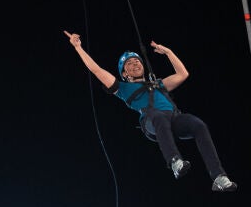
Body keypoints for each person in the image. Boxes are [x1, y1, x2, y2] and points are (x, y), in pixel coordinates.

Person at [64, 31, 238, 192]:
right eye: (129, 64)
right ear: (125, 74)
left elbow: (183, 73)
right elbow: (96, 70)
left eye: (137, 61)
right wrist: (78, 47)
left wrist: (168, 52)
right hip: (151, 122)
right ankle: (175, 162)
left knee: (198, 124)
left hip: (174, 119)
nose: (135, 64)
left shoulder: (158, 84)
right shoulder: (122, 88)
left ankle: (218, 177)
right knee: (158, 116)